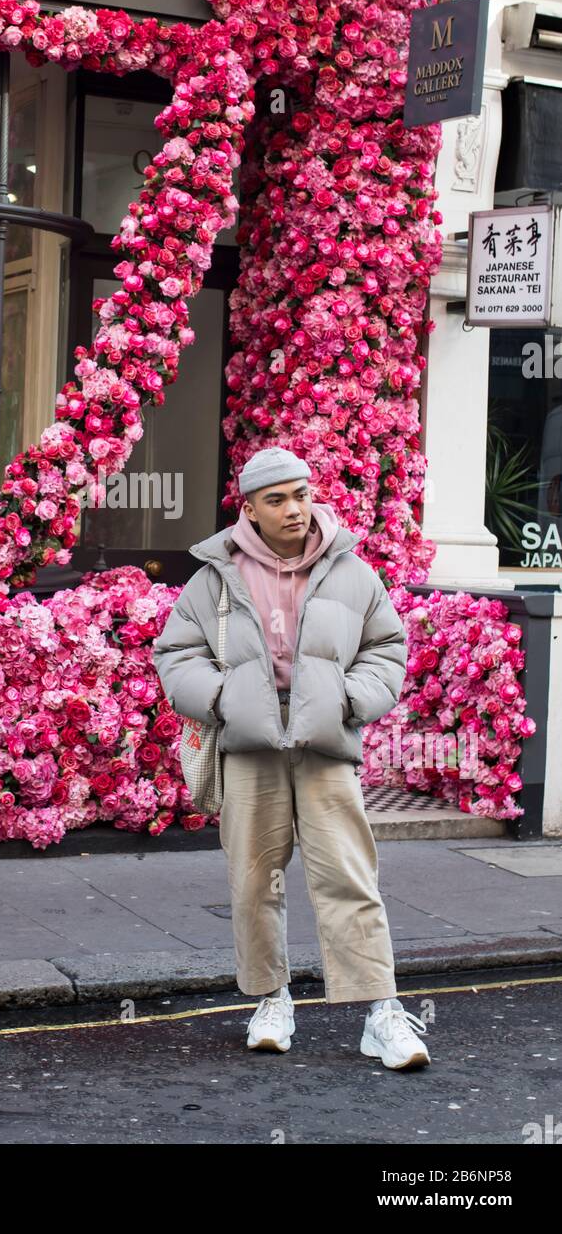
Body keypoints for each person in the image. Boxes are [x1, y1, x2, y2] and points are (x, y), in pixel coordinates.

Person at [152, 446, 430, 1070]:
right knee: (254, 881)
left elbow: (387, 646)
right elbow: (175, 653)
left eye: (301, 494)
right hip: (250, 749)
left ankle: (381, 1012)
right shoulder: (215, 575)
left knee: (350, 879)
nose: (294, 509)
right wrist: (226, 699)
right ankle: (272, 998)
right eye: (276, 499)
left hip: (325, 747)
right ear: (248, 508)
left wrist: (347, 701)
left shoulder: (352, 571)